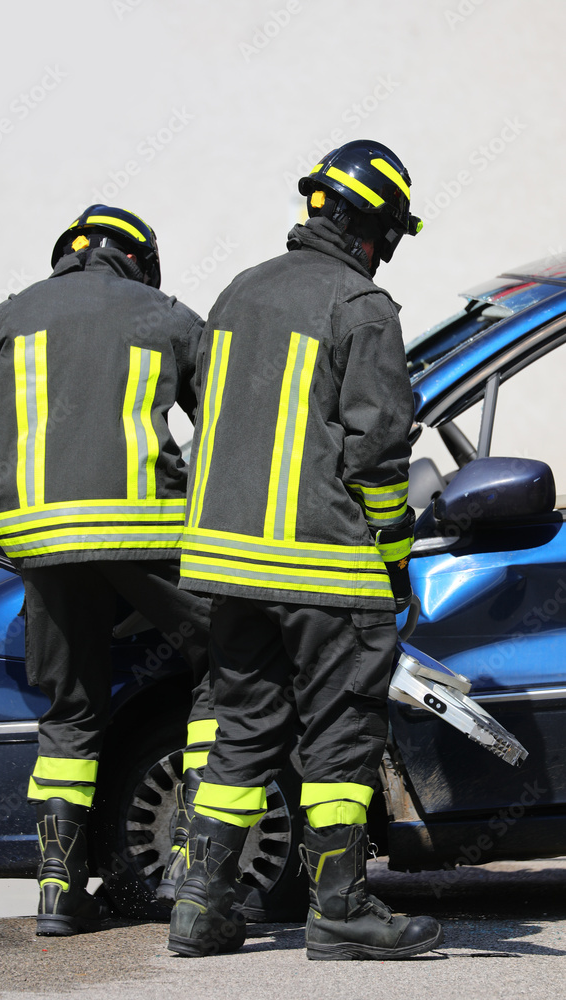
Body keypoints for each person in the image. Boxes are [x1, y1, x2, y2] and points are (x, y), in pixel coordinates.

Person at [167, 140, 444, 960]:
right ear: (375, 229)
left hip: (226, 569)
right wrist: (392, 560)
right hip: (324, 568)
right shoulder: (362, 307)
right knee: (340, 735)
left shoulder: (235, 295)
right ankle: (340, 909)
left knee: (241, 732)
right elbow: (378, 453)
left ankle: (201, 909)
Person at [0, 205, 214, 936]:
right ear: (139, 259)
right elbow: (220, 424)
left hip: (40, 542)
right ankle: (205, 875)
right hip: (145, 538)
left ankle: (58, 892)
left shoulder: (2, 320)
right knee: (229, 667)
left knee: (70, 712)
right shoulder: (169, 315)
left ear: (68, 254)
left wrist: (19, 481)